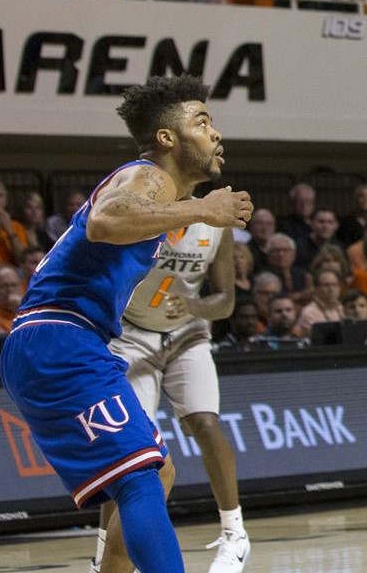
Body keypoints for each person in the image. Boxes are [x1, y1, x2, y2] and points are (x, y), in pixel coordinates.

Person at [0, 76, 252, 573]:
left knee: (153, 474)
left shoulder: (156, 195)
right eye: (202, 122)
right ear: (166, 138)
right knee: (140, 479)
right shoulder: (146, 176)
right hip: (58, 339)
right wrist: (204, 207)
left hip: (61, 342)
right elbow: (105, 222)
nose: (215, 132)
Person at [97, 215, 249, 573]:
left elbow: (226, 302)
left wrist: (193, 306)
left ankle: (235, 534)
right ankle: (101, 553)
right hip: (132, 334)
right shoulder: (146, 216)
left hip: (187, 334)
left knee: (204, 422)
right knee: (129, 449)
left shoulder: (216, 228)